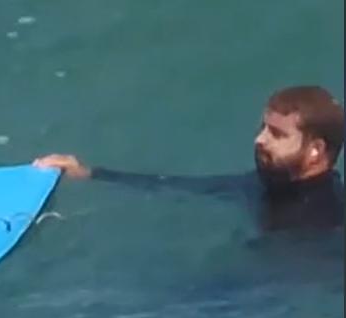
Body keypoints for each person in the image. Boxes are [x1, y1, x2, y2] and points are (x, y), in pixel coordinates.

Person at [33, 85, 344, 232]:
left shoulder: (331, 216)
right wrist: (91, 173)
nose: (259, 139)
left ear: (315, 150)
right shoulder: (262, 185)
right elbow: (176, 186)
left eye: (276, 134)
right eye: (263, 128)